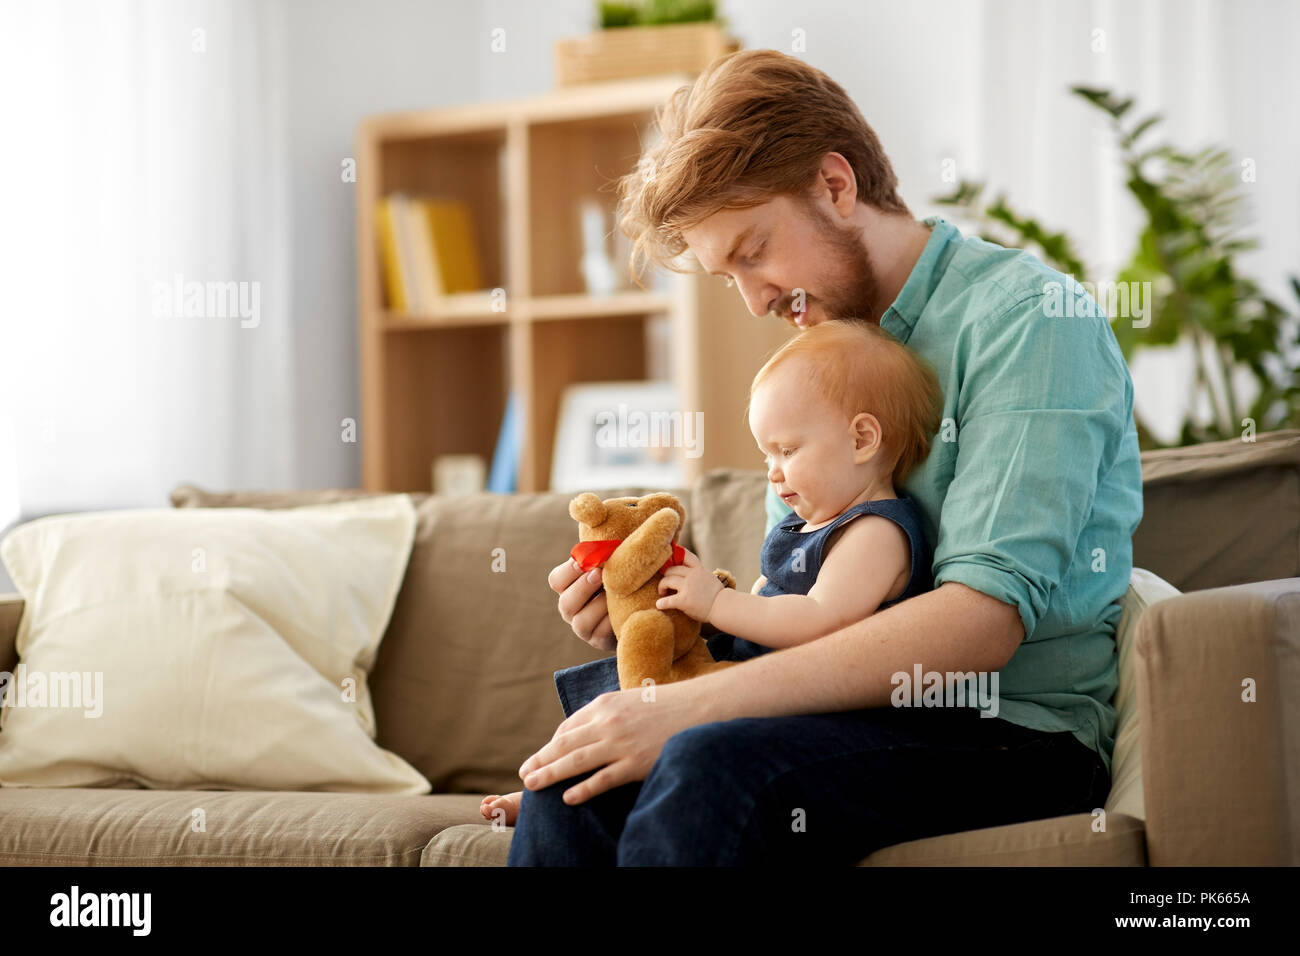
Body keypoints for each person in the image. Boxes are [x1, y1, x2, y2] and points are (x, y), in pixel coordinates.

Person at [506, 48, 1141, 866]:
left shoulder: (1028, 320)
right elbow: (795, 604)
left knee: (705, 762)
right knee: (577, 770)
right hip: (846, 720)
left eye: (754, 251)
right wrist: (657, 619)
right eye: (724, 275)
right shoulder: (820, 360)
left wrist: (690, 714)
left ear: (835, 187)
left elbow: (980, 625)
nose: (755, 298)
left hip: (1009, 731)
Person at [482, 319, 943, 826]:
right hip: (756, 679)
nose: (772, 471)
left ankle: (563, 785)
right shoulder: (807, 526)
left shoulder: (876, 531)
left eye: (787, 450)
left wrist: (721, 604)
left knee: (665, 718)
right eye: (766, 454)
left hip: (816, 707)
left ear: (862, 439)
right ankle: (552, 781)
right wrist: (704, 604)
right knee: (623, 689)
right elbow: (770, 607)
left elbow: (821, 619)